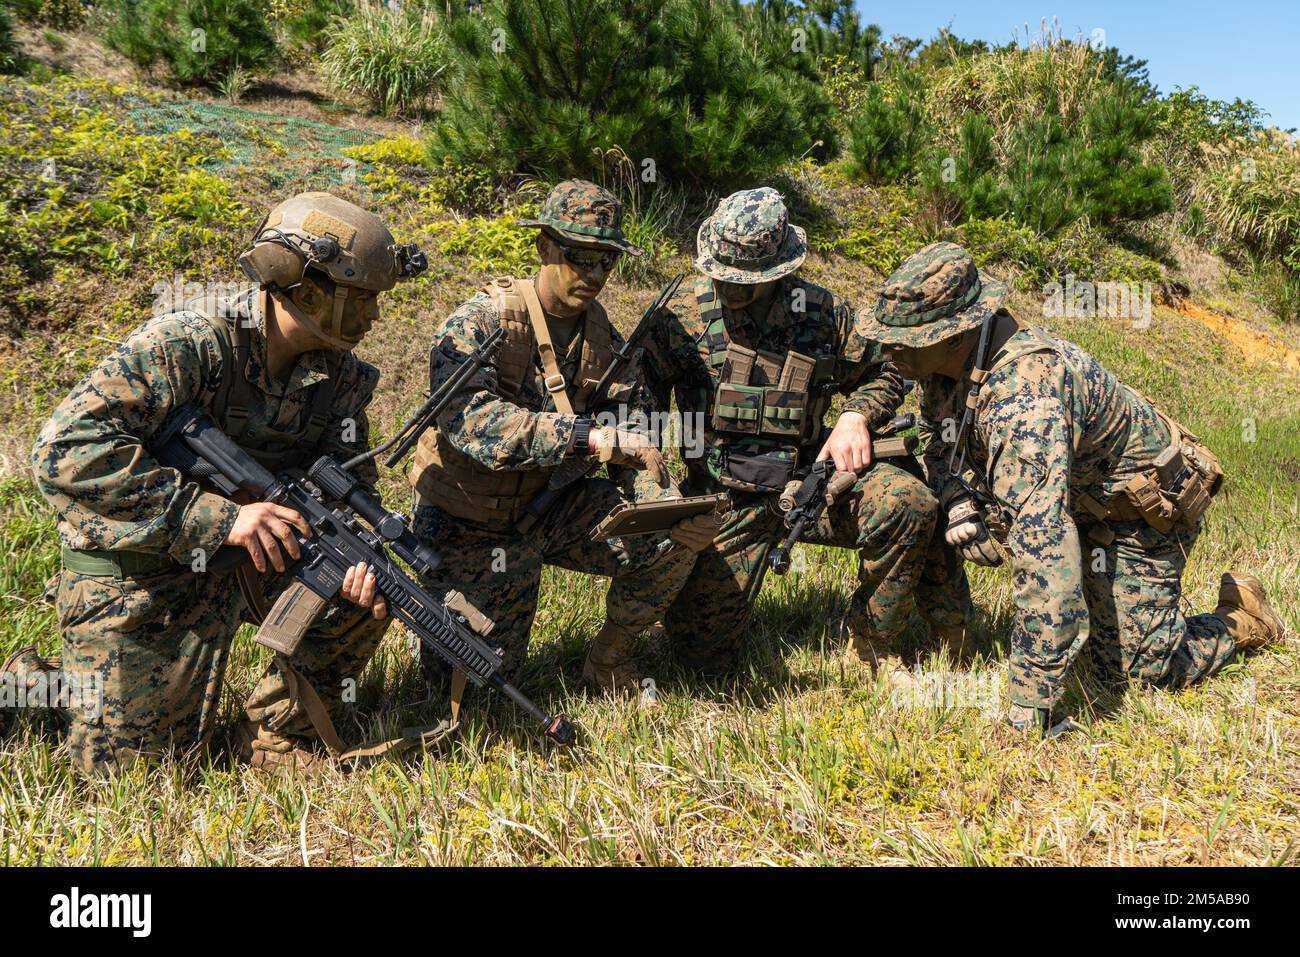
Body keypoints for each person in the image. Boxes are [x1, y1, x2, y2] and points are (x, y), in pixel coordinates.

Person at [22, 192, 418, 772]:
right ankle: (37, 687)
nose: (374, 317)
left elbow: (351, 482)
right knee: (140, 772)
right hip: (148, 565)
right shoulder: (189, 343)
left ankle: (278, 734)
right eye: (360, 298)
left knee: (366, 582)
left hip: (257, 557)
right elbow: (64, 451)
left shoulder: (345, 379)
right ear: (300, 285)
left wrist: (359, 555)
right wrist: (223, 519)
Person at [860, 241, 1286, 731]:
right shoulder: (944, 366)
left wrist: (1031, 702)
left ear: (954, 334)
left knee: (1138, 671)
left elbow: (1044, 545)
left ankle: (1240, 619)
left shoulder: (1026, 394)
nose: (889, 349)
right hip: (1079, 504)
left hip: (1137, 521)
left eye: (903, 339)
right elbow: (940, 443)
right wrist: (957, 502)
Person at [406, 179, 711, 696]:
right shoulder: (482, 322)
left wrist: (662, 501)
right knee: (475, 687)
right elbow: (466, 422)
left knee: (671, 535)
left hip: (552, 509)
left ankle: (610, 662)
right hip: (469, 520)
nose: (593, 275)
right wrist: (587, 437)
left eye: (606, 262)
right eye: (579, 257)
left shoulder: (604, 337)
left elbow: (630, 424)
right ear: (544, 245)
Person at [637, 187, 943, 680]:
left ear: (780, 270)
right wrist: (653, 478)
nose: (732, 288)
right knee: (700, 661)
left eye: (748, 281)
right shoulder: (680, 320)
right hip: (721, 506)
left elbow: (886, 373)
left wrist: (855, 416)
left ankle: (873, 644)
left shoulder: (822, 313)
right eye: (724, 276)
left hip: (813, 484)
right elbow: (638, 412)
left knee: (908, 501)